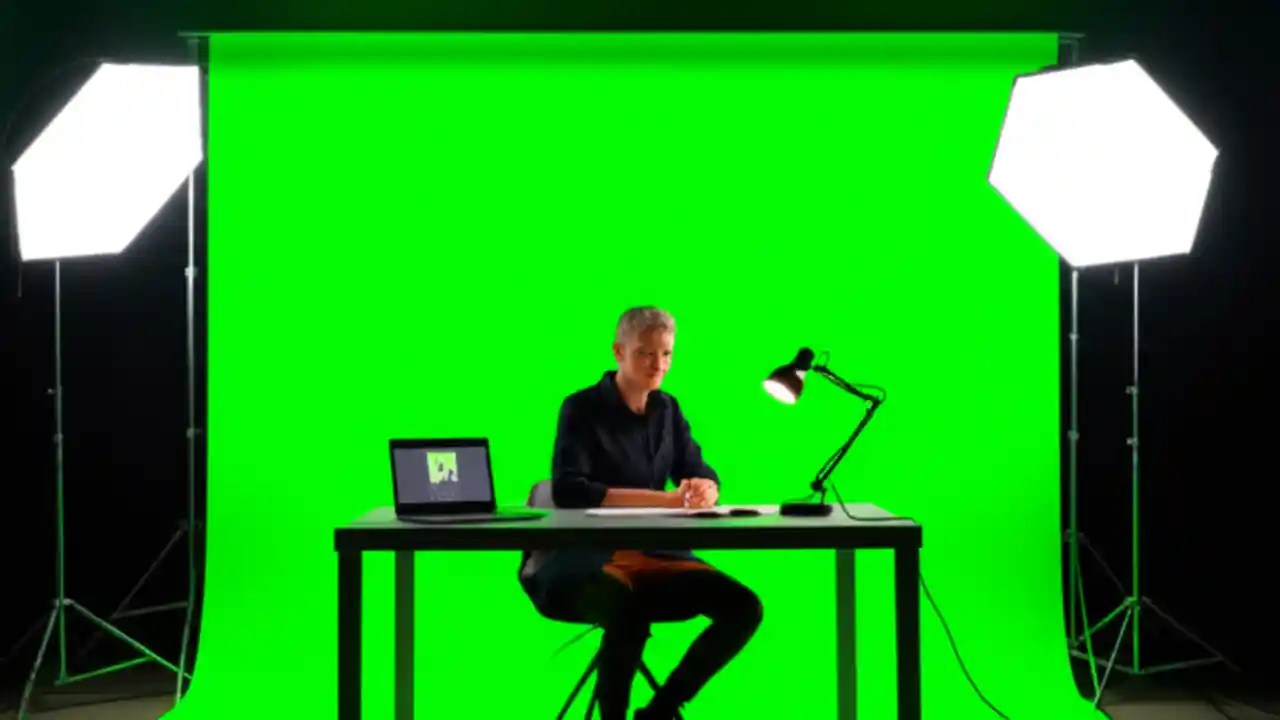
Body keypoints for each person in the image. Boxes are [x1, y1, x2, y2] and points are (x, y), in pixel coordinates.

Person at [521, 306, 763, 720]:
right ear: (619, 352)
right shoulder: (581, 407)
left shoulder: (668, 409)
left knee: (744, 607)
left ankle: (660, 712)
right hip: (584, 559)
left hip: (657, 557)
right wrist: (663, 500)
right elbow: (569, 489)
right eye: (646, 353)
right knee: (626, 608)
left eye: (666, 354)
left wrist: (707, 487)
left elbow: (696, 468)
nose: (658, 364)